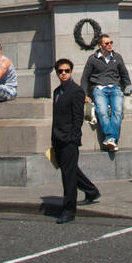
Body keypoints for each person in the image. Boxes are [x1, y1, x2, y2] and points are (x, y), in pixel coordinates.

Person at [52, 58, 100, 224]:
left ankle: (69, 210)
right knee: (70, 170)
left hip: (69, 140)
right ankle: (91, 191)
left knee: (68, 176)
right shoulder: (57, 92)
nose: (63, 73)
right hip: (57, 139)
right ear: (57, 72)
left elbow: (78, 118)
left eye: (66, 71)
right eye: (60, 71)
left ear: (71, 72)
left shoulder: (77, 91)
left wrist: (71, 138)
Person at [81, 34, 132, 151]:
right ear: (100, 46)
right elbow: (85, 78)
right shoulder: (93, 59)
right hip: (99, 89)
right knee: (102, 111)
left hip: (115, 88)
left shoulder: (117, 57)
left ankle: (110, 138)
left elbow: (125, 75)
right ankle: (112, 138)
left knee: (118, 111)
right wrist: (84, 94)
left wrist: (130, 92)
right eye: (106, 43)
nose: (110, 45)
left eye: (111, 42)